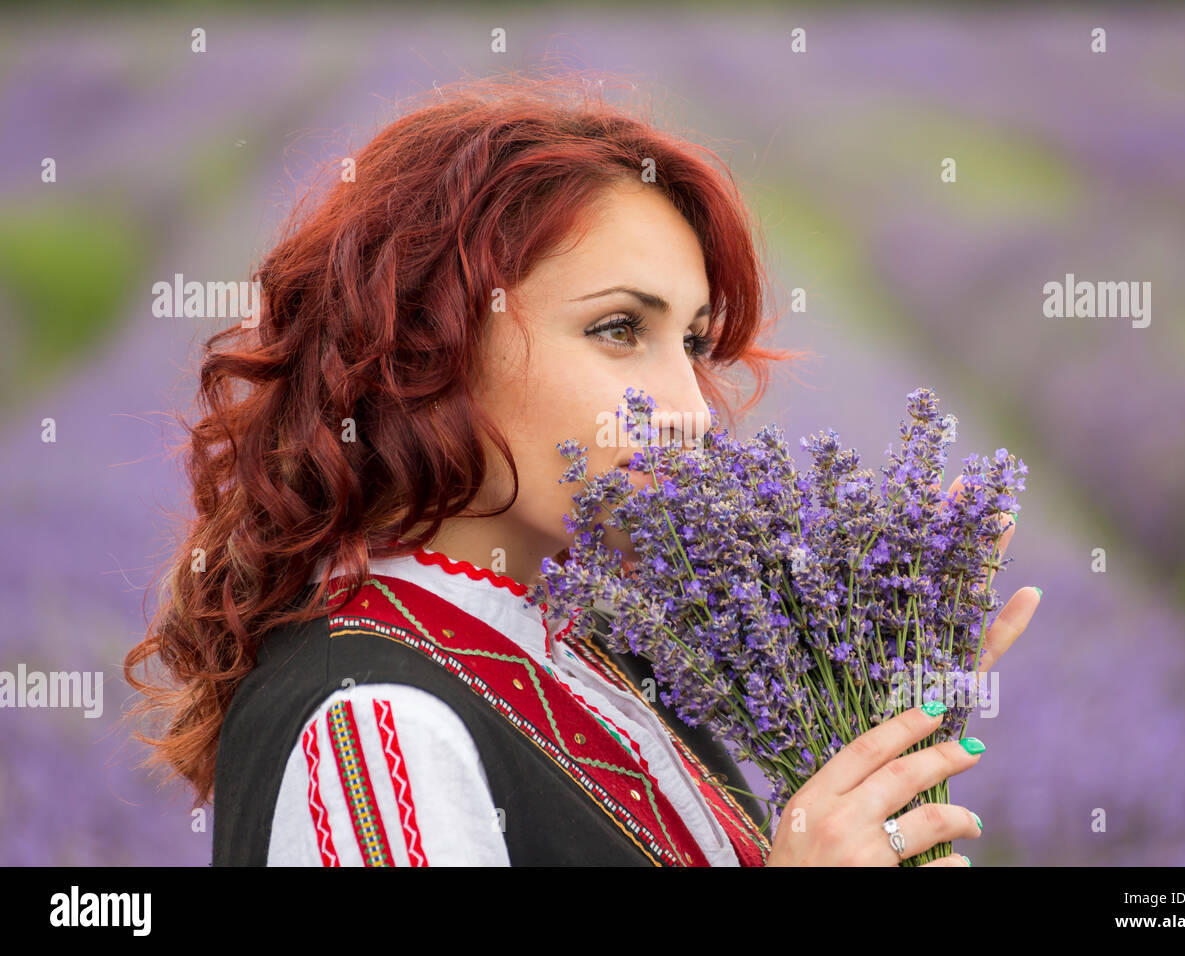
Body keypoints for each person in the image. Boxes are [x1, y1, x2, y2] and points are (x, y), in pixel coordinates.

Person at [124, 70, 1039, 867]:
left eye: (692, 343)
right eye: (617, 329)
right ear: (425, 343)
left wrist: (885, 686)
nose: (685, 410)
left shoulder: (583, 657)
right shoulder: (378, 722)